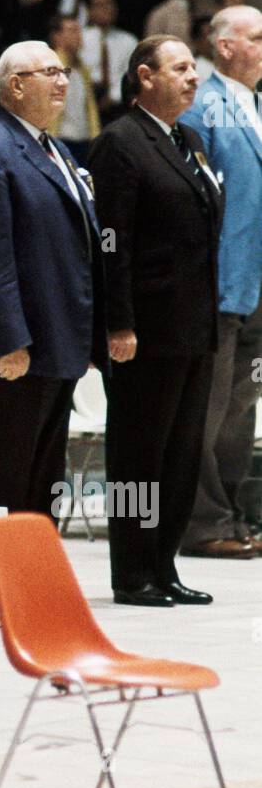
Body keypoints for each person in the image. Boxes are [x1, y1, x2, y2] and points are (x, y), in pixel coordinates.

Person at [88, 36, 223, 607]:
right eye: (180, 68)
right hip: (143, 328)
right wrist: (118, 324)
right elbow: (111, 244)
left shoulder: (187, 139)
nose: (193, 77)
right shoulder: (120, 142)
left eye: (195, 67)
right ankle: (131, 571)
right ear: (145, 77)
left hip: (192, 325)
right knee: (138, 454)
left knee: (180, 453)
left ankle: (163, 565)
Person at [0, 41, 106, 519]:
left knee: (44, 481)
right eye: (49, 72)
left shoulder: (52, 146)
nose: (63, 81)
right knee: (8, 479)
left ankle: (38, 583)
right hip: (18, 350)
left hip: (58, 342)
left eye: (63, 71)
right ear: (15, 85)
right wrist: (9, 342)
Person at [180, 7, 262, 559]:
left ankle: (233, 517)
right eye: (258, 37)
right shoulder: (203, 104)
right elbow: (191, 199)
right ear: (226, 46)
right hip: (221, 279)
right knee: (208, 410)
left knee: (240, 409)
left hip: (257, 282)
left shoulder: (257, 106)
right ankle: (201, 523)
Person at [45, 14, 100, 164]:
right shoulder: (50, 67)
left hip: (84, 139)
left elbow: (90, 107)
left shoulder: (83, 69)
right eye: (71, 30)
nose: (78, 35)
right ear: (56, 36)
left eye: (78, 30)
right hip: (60, 138)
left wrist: (95, 136)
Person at [79, 0, 137, 124]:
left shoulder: (128, 40)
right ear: (89, 11)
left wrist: (112, 97)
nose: (106, 9)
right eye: (99, 5)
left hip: (118, 105)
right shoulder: (81, 38)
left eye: (109, 4)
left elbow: (129, 74)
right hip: (86, 100)